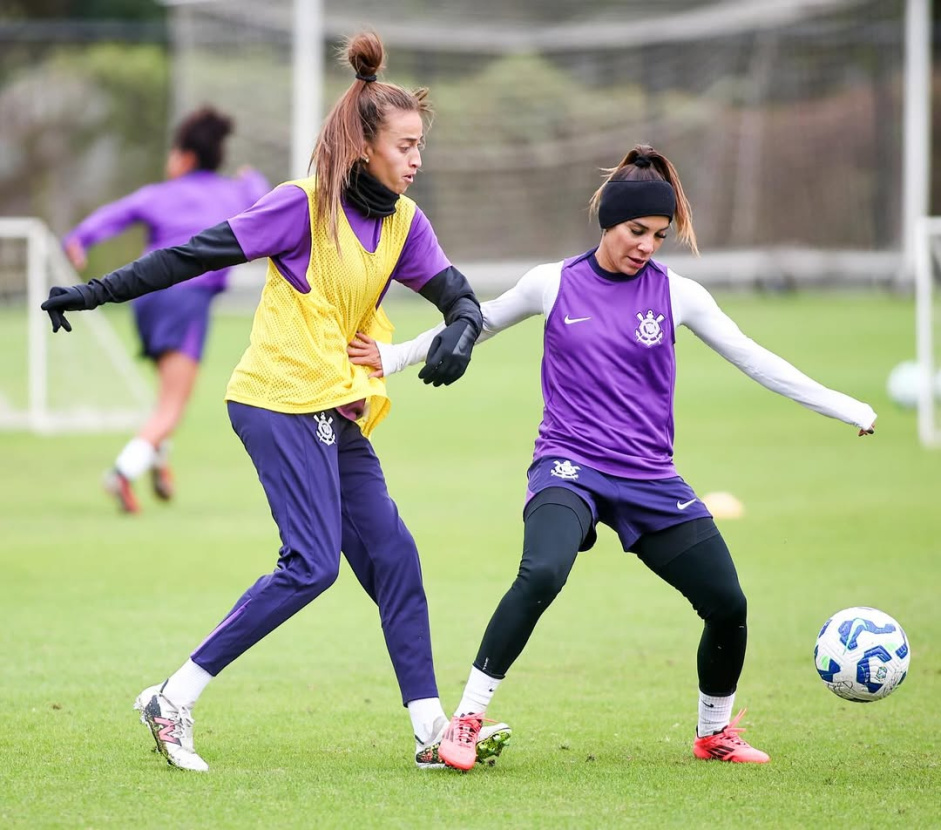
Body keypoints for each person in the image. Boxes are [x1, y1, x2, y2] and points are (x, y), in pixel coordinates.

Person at [41, 31, 511, 773]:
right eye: (406, 144)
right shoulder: (302, 205)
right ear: (363, 147)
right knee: (313, 564)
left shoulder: (403, 220)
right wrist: (96, 291)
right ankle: (172, 696)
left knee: (394, 557)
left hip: (334, 403)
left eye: (423, 144)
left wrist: (462, 324)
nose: (418, 159)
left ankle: (431, 730)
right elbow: (192, 253)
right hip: (275, 400)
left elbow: (455, 292)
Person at [349, 144, 878, 769]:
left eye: (659, 234)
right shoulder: (553, 282)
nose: (647, 245)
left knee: (728, 604)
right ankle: (465, 721)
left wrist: (845, 406)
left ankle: (714, 733)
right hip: (568, 464)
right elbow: (478, 323)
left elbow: (756, 358)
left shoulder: (680, 296)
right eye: (637, 230)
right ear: (608, 222)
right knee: (541, 572)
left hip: (650, 477)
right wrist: (395, 356)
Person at [62, 106, 270, 513]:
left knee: (165, 395)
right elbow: (271, 205)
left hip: (146, 297)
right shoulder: (234, 191)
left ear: (186, 157)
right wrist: (252, 179)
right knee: (173, 405)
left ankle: (158, 461)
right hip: (186, 298)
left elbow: (115, 214)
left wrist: (80, 239)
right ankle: (123, 471)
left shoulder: (158, 194)